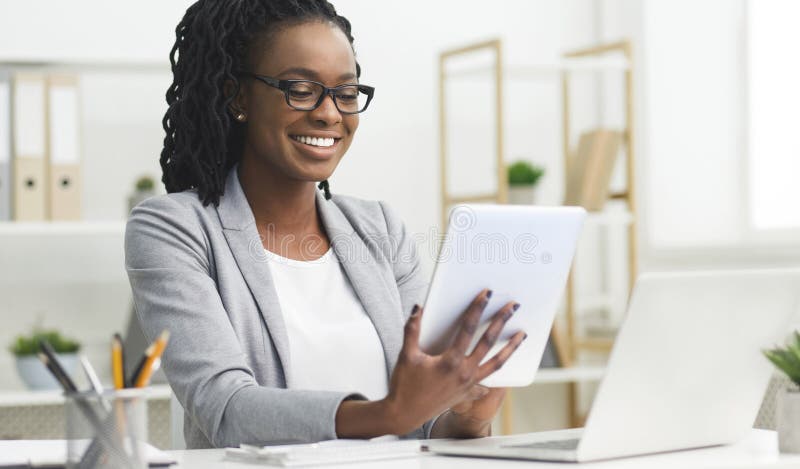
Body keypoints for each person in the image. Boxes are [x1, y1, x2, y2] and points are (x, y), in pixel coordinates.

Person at [125, 0, 527, 449]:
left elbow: (424, 425)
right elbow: (227, 410)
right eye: (300, 88)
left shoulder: (380, 230)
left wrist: (466, 420)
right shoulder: (175, 229)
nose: (329, 113)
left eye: (347, 92)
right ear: (237, 96)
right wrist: (387, 413)